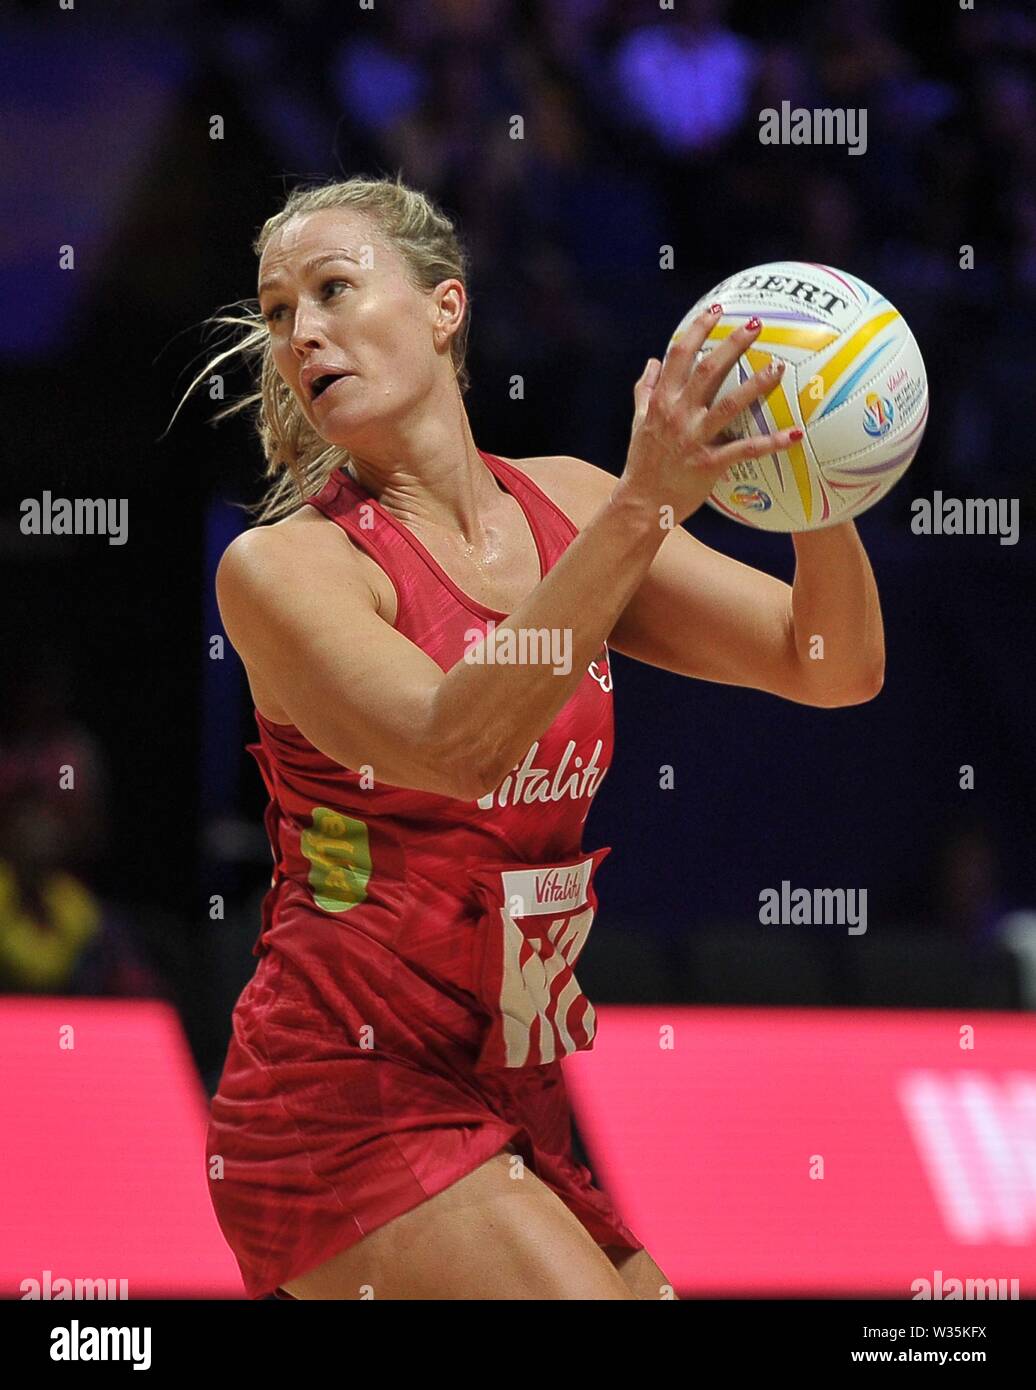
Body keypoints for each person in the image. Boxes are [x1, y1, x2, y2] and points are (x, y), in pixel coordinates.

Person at [198, 174, 884, 1300]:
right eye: (279, 315)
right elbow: (456, 744)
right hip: (345, 1095)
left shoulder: (565, 503)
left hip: (513, 1087)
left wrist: (820, 476)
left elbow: (833, 665)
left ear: (443, 307)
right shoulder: (284, 568)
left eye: (330, 289)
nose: (301, 331)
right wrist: (641, 506)